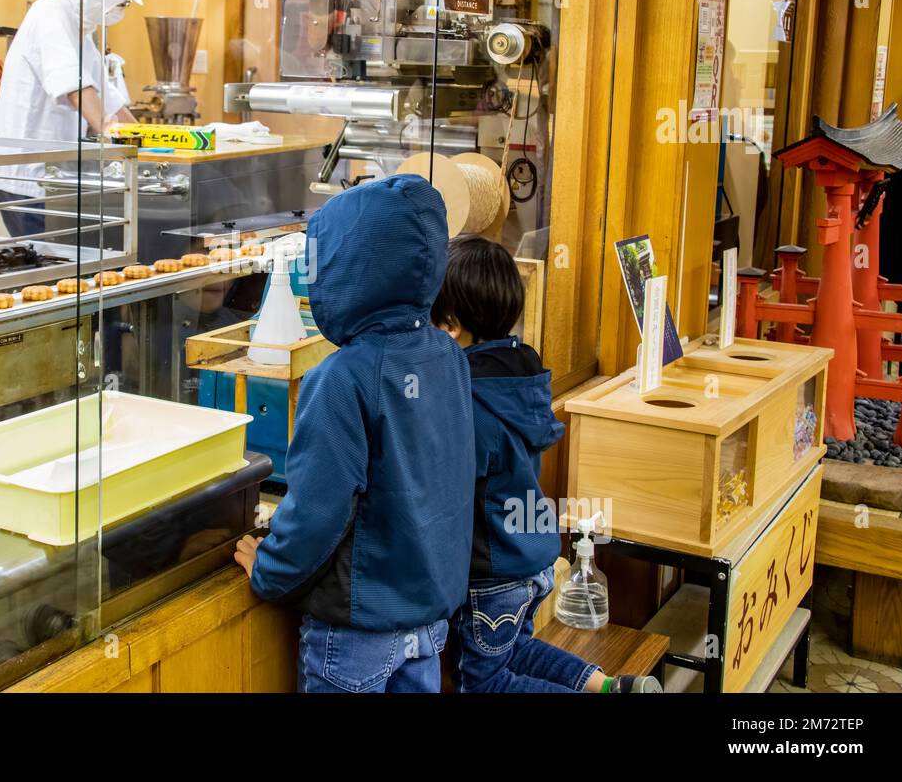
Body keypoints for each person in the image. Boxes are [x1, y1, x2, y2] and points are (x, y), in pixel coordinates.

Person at [233, 175, 476, 693]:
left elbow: (318, 511)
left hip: (357, 630)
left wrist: (270, 569)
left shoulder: (342, 377)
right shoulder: (448, 354)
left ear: (346, 270)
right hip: (428, 620)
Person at [431, 234, 660, 693]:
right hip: (531, 559)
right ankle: (612, 688)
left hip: (492, 575)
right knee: (515, 650)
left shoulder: (470, 402)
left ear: (452, 323)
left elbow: (445, 491)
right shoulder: (518, 379)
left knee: (485, 684)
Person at [0, 0, 143, 237]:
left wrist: (146, 140)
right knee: (48, 273)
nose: (122, 11)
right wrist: (113, 132)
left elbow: (107, 95)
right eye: (122, 3)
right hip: (26, 180)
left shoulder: (81, 29)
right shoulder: (50, 14)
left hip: (52, 178)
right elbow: (75, 86)